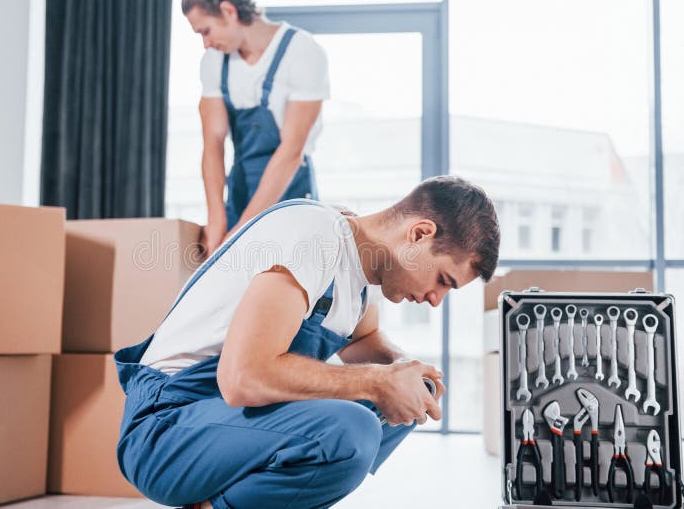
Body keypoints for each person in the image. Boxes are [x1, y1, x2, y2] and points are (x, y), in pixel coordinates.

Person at [114, 175, 501, 508]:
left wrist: (405, 370)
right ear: (419, 233)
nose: (436, 300)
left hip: (220, 424)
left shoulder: (358, 269)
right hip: (166, 429)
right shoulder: (314, 236)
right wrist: (380, 381)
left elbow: (366, 340)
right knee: (354, 430)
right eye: (443, 280)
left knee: (408, 394)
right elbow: (243, 378)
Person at [182, 0, 330, 256]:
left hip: (290, 190)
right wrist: (217, 219)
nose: (205, 43)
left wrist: (244, 229)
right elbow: (212, 143)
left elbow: (291, 152)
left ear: (228, 11)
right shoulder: (214, 61)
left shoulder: (302, 52)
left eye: (206, 31)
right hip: (242, 187)